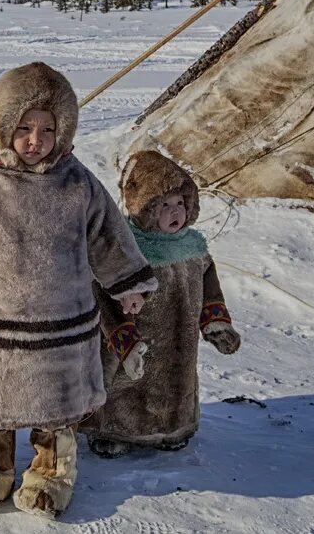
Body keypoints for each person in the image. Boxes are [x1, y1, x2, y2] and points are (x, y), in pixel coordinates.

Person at [0, 62, 157, 518]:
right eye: (24, 127)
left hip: (59, 325)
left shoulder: (76, 180)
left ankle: (51, 472)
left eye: (47, 128)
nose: (35, 139)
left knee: (56, 408)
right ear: (2, 125)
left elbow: (108, 233)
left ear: (63, 130)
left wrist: (126, 283)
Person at [82, 150, 241, 458]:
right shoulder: (127, 250)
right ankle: (113, 430)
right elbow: (103, 298)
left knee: (177, 380)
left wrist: (216, 324)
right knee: (128, 386)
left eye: (180, 203)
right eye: (164, 205)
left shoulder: (194, 249)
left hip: (181, 342)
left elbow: (210, 289)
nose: (175, 212)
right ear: (144, 207)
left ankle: (173, 429)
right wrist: (123, 339)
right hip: (137, 342)